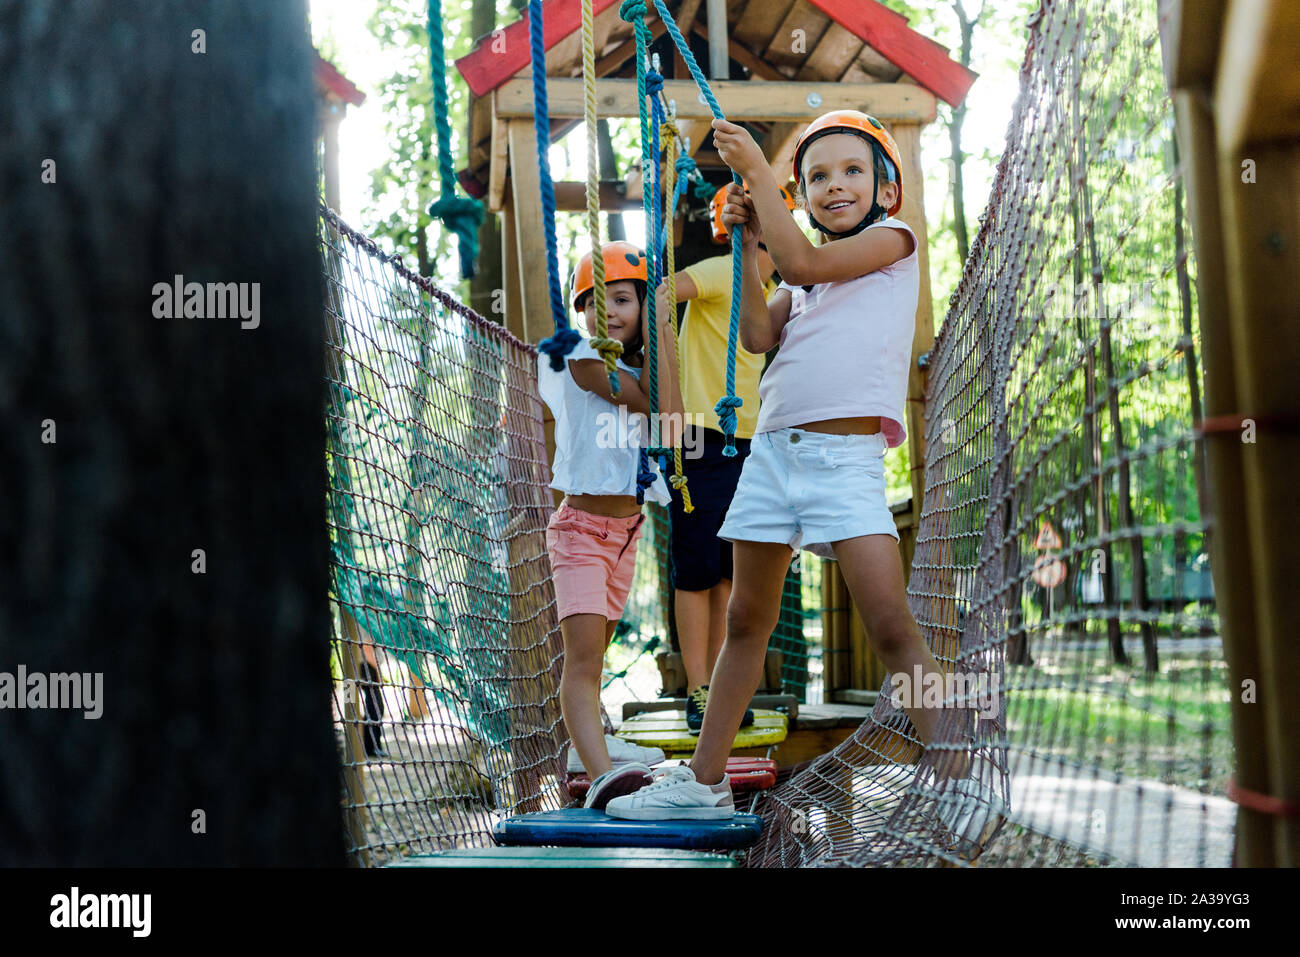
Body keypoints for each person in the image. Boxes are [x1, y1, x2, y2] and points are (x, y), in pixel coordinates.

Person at [607, 112, 1006, 851]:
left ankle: (958, 773)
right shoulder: (805, 279)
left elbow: (808, 265)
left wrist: (759, 174)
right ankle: (704, 780)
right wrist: (750, 242)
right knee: (746, 624)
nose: (835, 186)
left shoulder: (894, 245)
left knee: (892, 623)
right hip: (773, 458)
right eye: (818, 176)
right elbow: (758, 333)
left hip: (844, 464)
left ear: (885, 187)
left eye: (852, 170)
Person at [537, 241, 684, 810]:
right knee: (583, 658)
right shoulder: (575, 351)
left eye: (623, 300)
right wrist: (658, 335)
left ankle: (588, 747)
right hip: (580, 530)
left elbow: (669, 416)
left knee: (598, 648)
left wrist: (662, 330)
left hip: (626, 533)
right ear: (579, 312)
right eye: (597, 302)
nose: (610, 313)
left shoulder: (638, 361)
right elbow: (650, 402)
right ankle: (602, 778)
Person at [665, 184, 795, 735]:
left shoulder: (769, 291)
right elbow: (658, 293)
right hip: (699, 432)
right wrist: (669, 394)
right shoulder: (723, 270)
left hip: (746, 438)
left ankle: (718, 685)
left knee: (726, 571)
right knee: (697, 570)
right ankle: (697, 684)